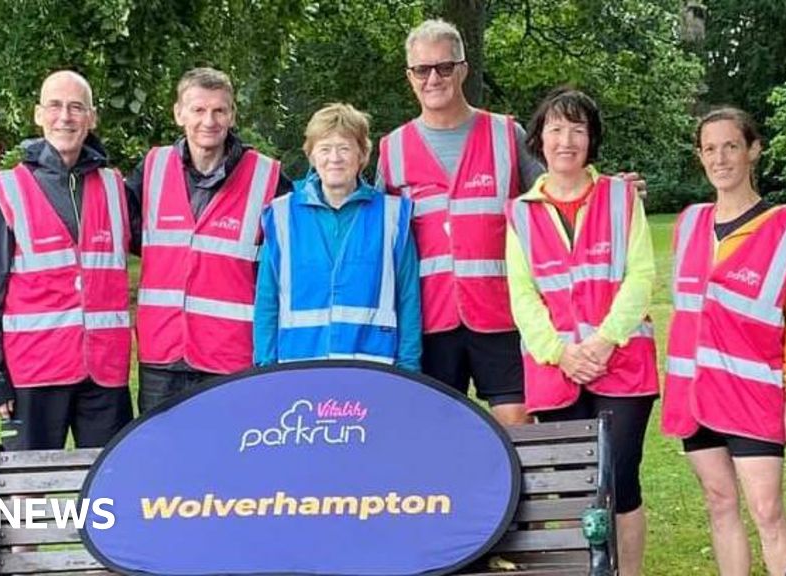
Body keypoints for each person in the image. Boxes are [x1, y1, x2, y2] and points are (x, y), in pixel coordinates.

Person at [377, 19, 646, 426]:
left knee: (517, 429)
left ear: (463, 69)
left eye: (445, 67)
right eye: (422, 69)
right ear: (409, 76)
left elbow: (556, 189)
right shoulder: (391, 148)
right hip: (430, 318)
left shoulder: (507, 134)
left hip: (501, 312)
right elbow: (376, 234)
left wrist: (608, 189)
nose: (433, 78)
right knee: (431, 432)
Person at [662, 107, 786, 576]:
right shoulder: (689, 223)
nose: (720, 158)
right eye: (709, 149)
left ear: (753, 150)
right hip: (695, 397)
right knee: (718, 503)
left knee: (769, 514)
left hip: (752, 396)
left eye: (731, 146)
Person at [505, 87, 658, 576]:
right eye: (555, 128)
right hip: (555, 370)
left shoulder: (620, 196)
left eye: (577, 129)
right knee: (571, 482)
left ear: (591, 140)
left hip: (623, 362)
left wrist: (602, 341)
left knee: (621, 479)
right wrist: (561, 352)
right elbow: (522, 295)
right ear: (539, 138)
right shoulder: (520, 211)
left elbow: (641, 275)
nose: (565, 140)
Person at [0, 70, 133, 450]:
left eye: (77, 107)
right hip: (33, 375)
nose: (66, 117)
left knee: (109, 489)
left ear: (91, 118)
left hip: (105, 374)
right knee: (27, 495)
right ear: (38, 115)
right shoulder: (7, 192)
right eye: (55, 106)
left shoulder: (114, 188)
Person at [126, 68, 292, 413]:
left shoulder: (267, 177)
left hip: (230, 355)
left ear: (232, 115)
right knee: (161, 461)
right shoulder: (151, 169)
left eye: (219, 110)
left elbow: (288, 263)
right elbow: (119, 234)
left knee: (228, 462)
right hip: (162, 355)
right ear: (179, 113)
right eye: (199, 109)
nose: (209, 120)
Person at [254, 103, 421, 370]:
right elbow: (267, 299)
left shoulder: (393, 216)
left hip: (373, 366)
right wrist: (266, 366)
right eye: (324, 148)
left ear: (362, 155)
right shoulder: (280, 214)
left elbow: (408, 297)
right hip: (298, 365)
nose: (335, 158)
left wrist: (409, 367)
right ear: (311, 156)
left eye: (344, 148)